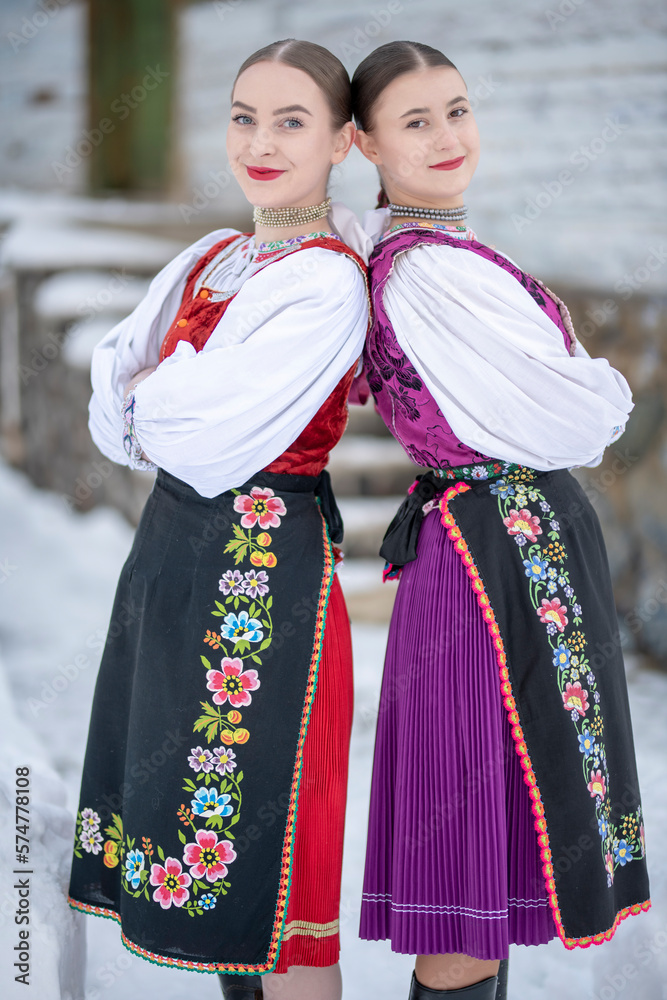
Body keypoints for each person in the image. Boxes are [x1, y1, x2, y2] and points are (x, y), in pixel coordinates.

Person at [67, 39, 370, 1000]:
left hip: (264, 573)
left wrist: (159, 397)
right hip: (172, 563)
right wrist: (155, 401)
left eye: (291, 121)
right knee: (207, 864)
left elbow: (191, 434)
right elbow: (112, 405)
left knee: (273, 882)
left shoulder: (324, 282)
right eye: (244, 116)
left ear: (342, 142)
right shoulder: (213, 256)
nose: (260, 141)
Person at [351, 40, 650, 1000]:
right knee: (467, 878)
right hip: (490, 567)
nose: (447, 136)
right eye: (414, 120)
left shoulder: (445, 254)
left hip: (501, 553)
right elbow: (587, 414)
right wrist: (593, 383)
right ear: (364, 143)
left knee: (495, 867)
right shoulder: (434, 273)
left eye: (457, 109)